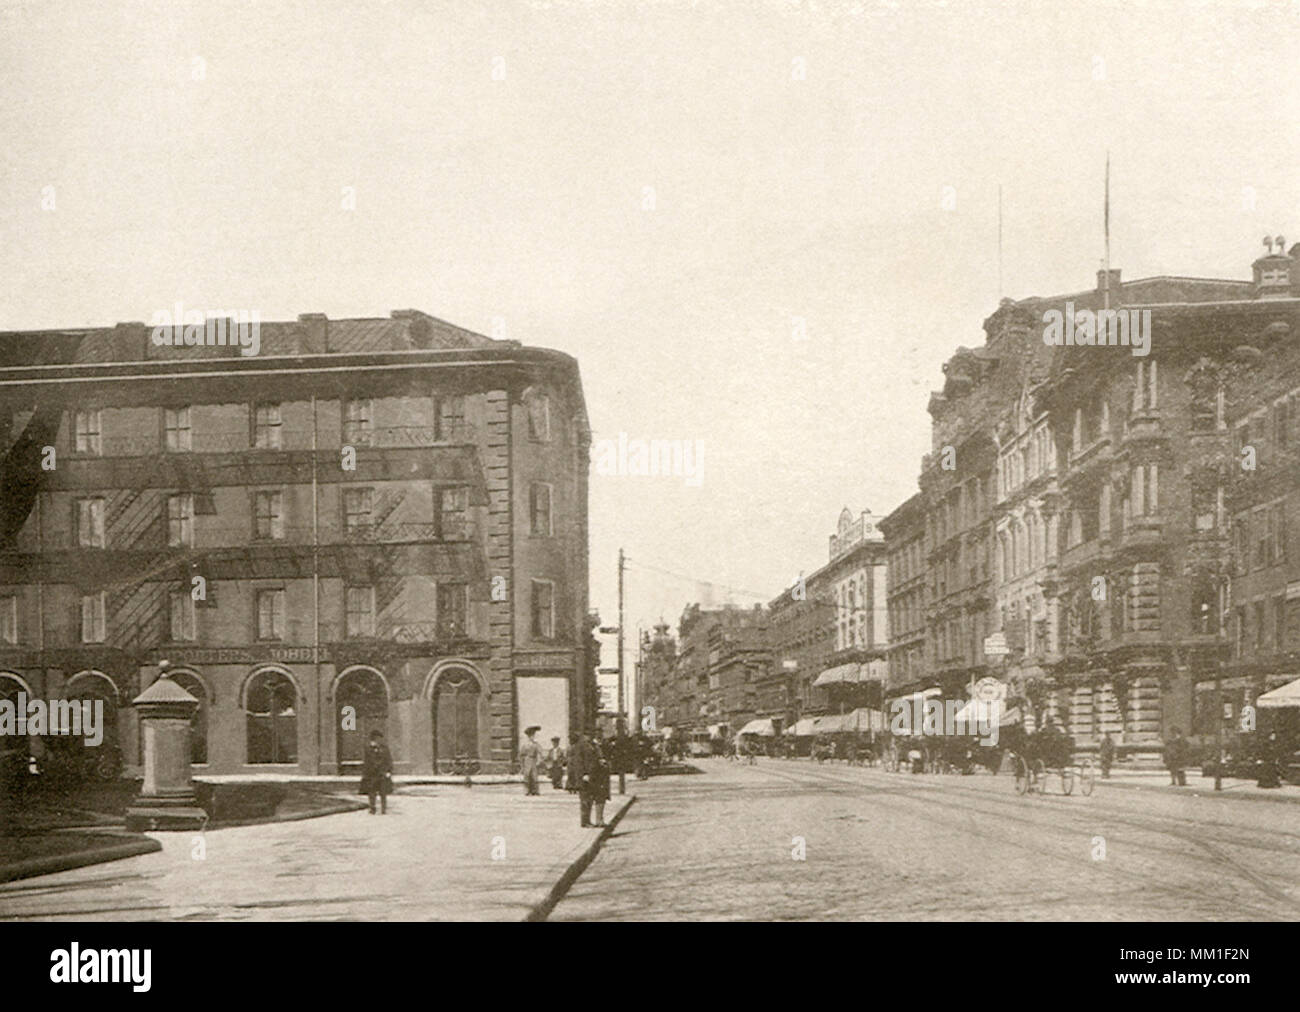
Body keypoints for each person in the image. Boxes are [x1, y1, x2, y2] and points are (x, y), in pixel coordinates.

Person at [360, 730, 393, 815]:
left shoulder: (384, 748)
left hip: (382, 773)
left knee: (383, 792)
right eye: (375, 739)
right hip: (372, 774)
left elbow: (388, 760)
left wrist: (389, 771)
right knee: (372, 791)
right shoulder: (368, 749)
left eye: (379, 739)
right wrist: (365, 774)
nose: (377, 741)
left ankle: (383, 809)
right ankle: (372, 808)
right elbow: (366, 762)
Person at [589, 735, 612, 826]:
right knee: (598, 797)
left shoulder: (604, 746)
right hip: (596, 776)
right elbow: (592, 762)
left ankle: (600, 819)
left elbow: (608, 757)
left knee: (602, 797)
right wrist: (600, 762)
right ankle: (598, 820)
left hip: (603, 775)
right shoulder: (591, 748)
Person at [520, 725, 543, 795]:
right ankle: (527, 790)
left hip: (533, 760)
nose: (532, 737)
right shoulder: (525, 745)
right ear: (528, 736)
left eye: (533, 735)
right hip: (527, 760)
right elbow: (521, 754)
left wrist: (539, 760)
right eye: (531, 736)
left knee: (534, 775)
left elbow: (540, 752)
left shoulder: (536, 744)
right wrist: (522, 764)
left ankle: (535, 790)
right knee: (527, 775)